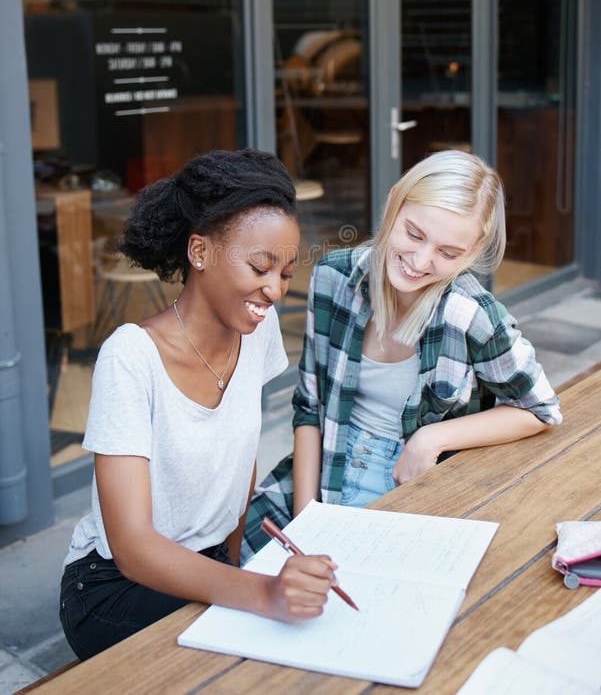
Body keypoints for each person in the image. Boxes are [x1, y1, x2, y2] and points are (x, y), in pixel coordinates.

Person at [59, 148, 340, 661]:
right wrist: (259, 592)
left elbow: (239, 458)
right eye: (260, 266)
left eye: (286, 274)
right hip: (114, 585)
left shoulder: (256, 329)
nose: (274, 290)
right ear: (200, 252)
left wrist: (233, 566)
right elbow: (132, 547)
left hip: (204, 562)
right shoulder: (131, 356)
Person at [243, 149, 562, 557]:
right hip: (322, 470)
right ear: (394, 201)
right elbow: (309, 408)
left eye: (448, 253)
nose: (420, 261)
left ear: (474, 249)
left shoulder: (471, 315)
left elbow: (540, 409)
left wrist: (431, 437)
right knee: (236, 574)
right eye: (413, 234)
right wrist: (310, 522)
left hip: (413, 493)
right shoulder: (333, 277)